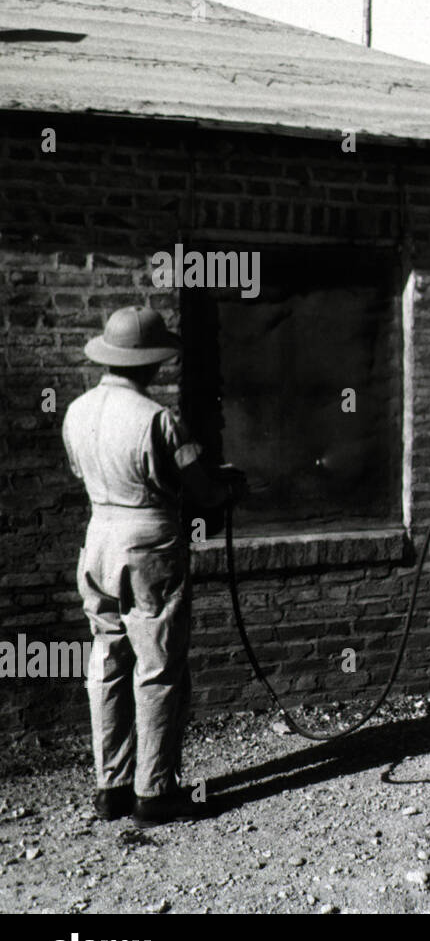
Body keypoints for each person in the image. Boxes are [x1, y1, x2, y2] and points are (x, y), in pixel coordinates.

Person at [63, 306, 244, 828]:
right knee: (159, 665)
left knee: (108, 660)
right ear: (150, 362)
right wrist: (228, 488)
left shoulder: (76, 411)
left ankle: (111, 785)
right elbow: (202, 491)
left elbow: (85, 473)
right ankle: (155, 791)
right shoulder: (158, 419)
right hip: (148, 548)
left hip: (97, 541)